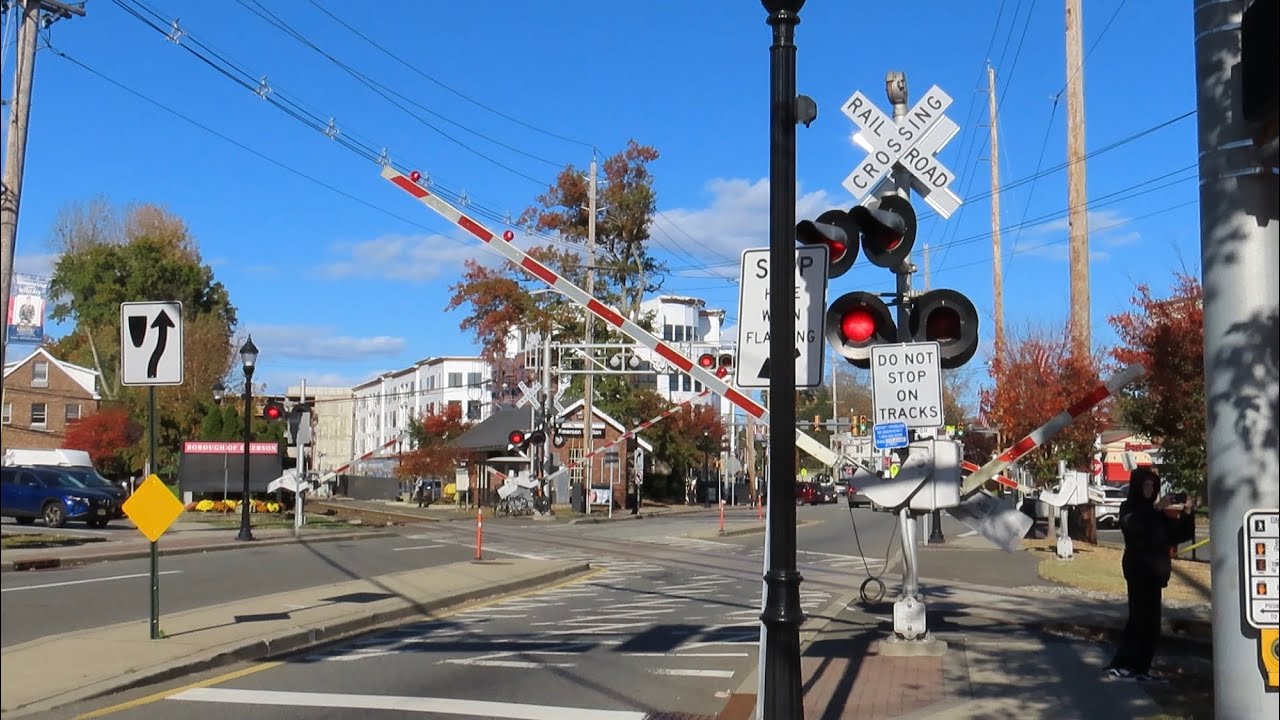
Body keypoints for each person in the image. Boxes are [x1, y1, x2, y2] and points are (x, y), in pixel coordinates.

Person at [1105, 467, 1196, 681]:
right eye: (1146, 485)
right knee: (1139, 620)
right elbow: (1133, 526)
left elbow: (1180, 534)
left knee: (1152, 623)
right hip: (1138, 570)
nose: (1150, 489)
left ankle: (1140, 667)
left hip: (1155, 573)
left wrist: (1187, 512)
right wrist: (1156, 508)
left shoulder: (1158, 514)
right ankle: (1125, 665)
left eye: (1153, 486)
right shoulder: (1130, 508)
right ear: (1137, 486)